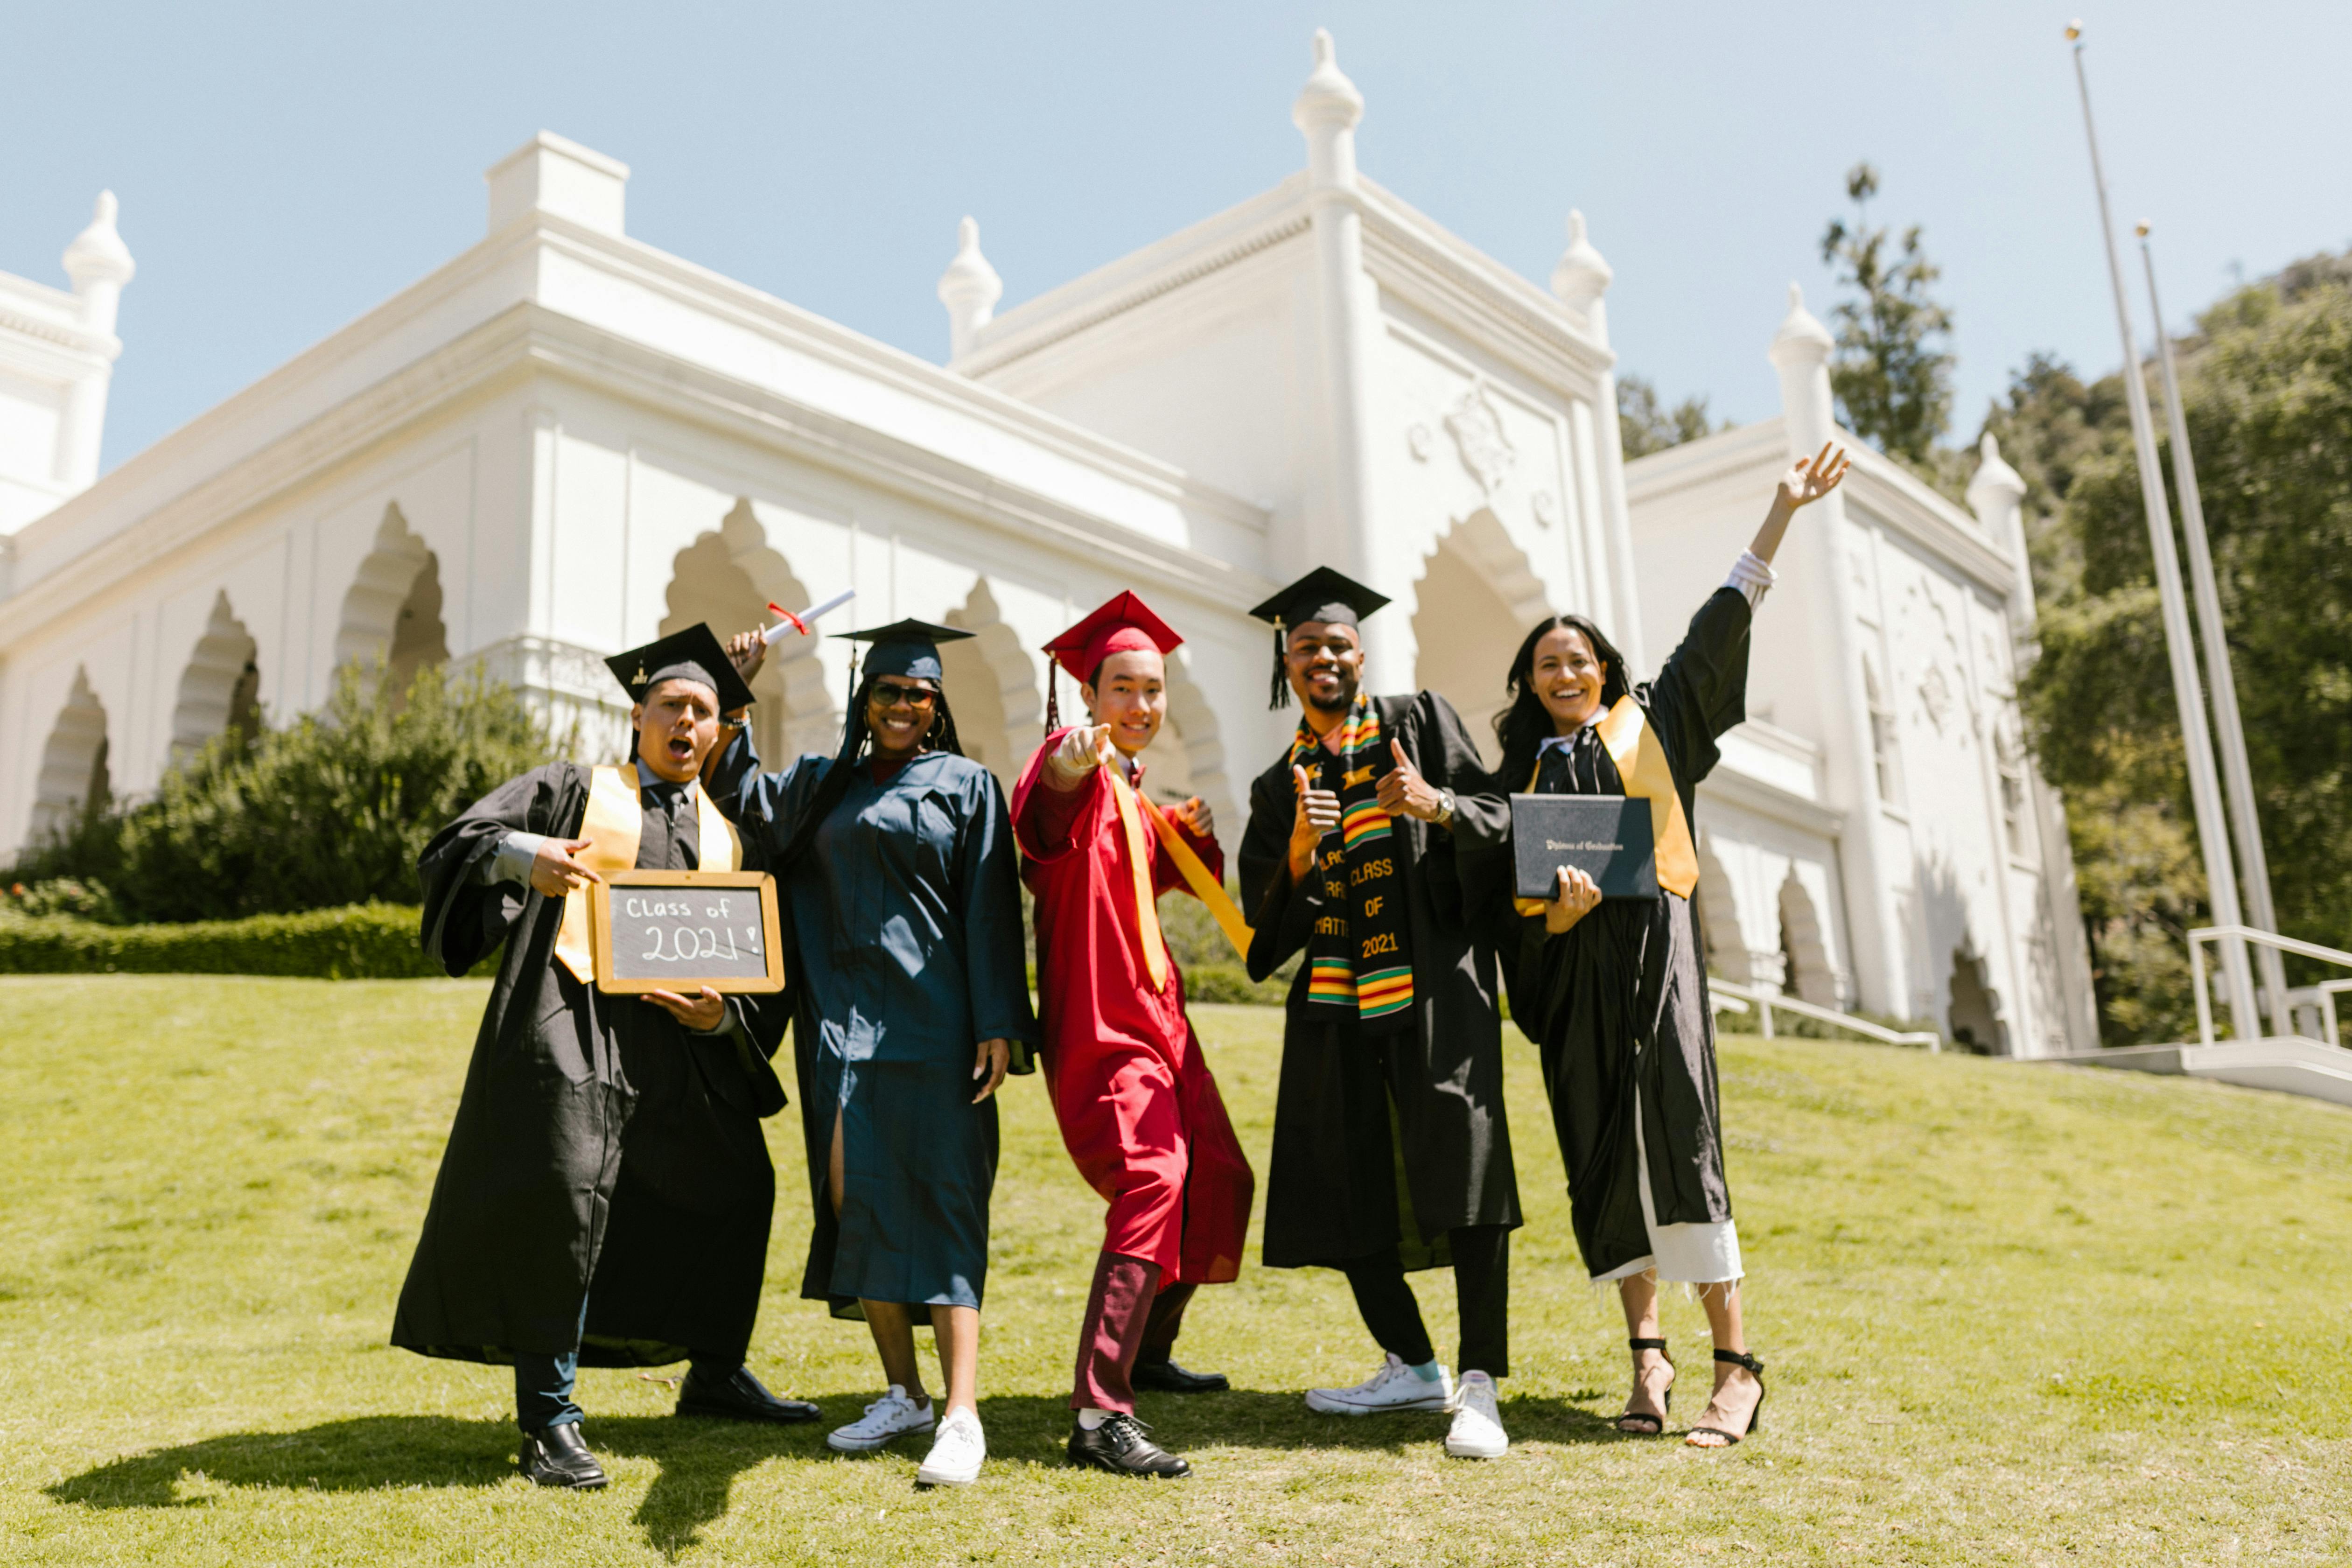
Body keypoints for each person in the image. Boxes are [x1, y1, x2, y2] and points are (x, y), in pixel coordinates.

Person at [394, 623, 819, 1493]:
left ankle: (712, 1372)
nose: (687, 723)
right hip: (571, 1021)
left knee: (735, 1181)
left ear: (718, 730)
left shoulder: (731, 835)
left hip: (680, 1039)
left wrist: (721, 1019)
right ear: (638, 715)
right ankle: (549, 1417)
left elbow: (757, 958)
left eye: (704, 711)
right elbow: (453, 845)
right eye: (671, 706)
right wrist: (527, 856)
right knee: (564, 1197)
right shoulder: (574, 790)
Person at [1487, 442, 1849, 1448]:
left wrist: (1777, 514)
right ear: (1530, 682)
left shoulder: (1655, 727)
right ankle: (1648, 1361)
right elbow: (1523, 923)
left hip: (1660, 960)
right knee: (1603, 1153)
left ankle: (1737, 1369)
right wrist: (1557, 917)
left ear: (1604, 668)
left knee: (1683, 1141)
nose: (1566, 671)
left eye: (1580, 658)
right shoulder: (1523, 780)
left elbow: (1719, 625)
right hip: (1579, 984)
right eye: (1547, 663)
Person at [713, 618, 1035, 1488]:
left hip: (936, 1030)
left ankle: (962, 1414)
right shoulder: (825, 785)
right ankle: (904, 1394)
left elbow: (991, 912)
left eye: (918, 695)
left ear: (936, 706)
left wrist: (998, 1023)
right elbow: (743, 796)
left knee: (942, 1204)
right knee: (856, 1202)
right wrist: (734, 690)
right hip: (842, 1032)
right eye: (889, 692)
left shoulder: (969, 786)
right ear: (867, 697)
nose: (902, 706)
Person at [1236, 567, 1521, 1461]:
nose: (1323, 657)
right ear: (1286, 663)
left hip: (1434, 989)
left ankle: (1479, 1383)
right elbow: (1263, 928)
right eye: (1306, 647)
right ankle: (1411, 1363)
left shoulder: (1419, 723)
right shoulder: (1277, 786)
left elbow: (1501, 818)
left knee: (1467, 1169)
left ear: (1361, 653)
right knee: (1337, 1182)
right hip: (1334, 1004)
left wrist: (1434, 806)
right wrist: (1298, 847)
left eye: (1337, 644)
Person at [1011, 592, 1257, 1480]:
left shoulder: (1136, 794)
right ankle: (1098, 1411)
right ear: (1090, 695)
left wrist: (1192, 839)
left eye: (1153, 691)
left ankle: (1147, 1351)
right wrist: (1076, 761)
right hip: (1104, 1027)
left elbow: (1176, 888)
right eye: (1123, 689)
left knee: (1220, 1179)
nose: (1141, 707)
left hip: (1165, 1025)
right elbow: (1042, 817)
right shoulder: (1069, 769)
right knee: (1154, 1180)